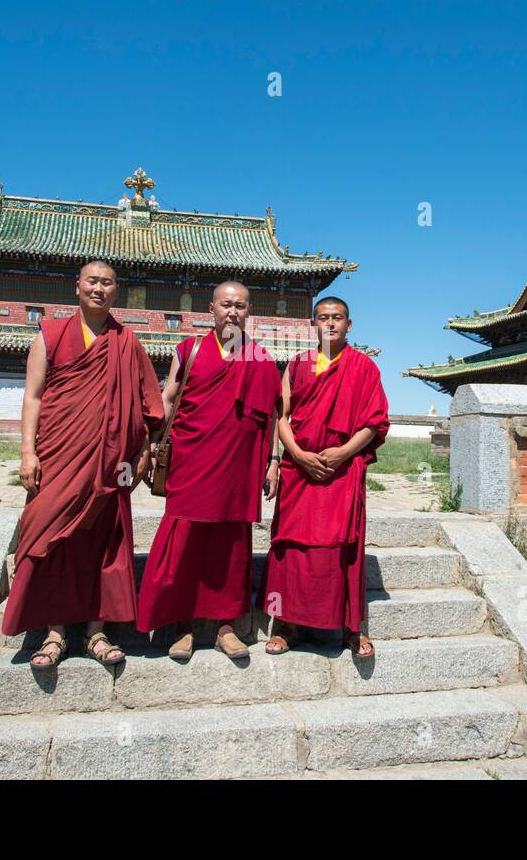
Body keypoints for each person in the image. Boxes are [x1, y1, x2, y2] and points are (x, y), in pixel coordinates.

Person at [0, 260, 163, 668]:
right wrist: (27, 452)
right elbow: (33, 397)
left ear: (116, 291)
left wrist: (142, 450)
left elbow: (148, 405)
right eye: (92, 281)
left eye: (107, 283)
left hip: (112, 463)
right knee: (50, 535)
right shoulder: (50, 336)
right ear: (77, 286)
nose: (99, 289)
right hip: (59, 456)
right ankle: (54, 632)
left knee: (103, 543)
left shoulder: (127, 342)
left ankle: (96, 630)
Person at [137, 281, 281, 661]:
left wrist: (272, 462)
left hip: (238, 468)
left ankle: (226, 627)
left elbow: (271, 417)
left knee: (230, 549)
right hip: (192, 461)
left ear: (250, 311)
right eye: (226, 305)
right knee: (183, 542)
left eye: (241, 306)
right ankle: (181, 625)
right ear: (211, 309)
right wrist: (153, 444)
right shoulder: (190, 349)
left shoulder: (261, 358)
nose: (233, 312)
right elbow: (169, 397)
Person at [259, 296, 390, 658]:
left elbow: (375, 421)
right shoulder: (298, 365)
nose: (330, 324)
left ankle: (351, 628)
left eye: (337, 318)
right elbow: (280, 416)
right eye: (323, 318)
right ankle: (286, 625)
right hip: (300, 472)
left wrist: (345, 451)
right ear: (312, 324)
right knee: (292, 547)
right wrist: (297, 456)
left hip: (342, 471)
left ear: (350, 324)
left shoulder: (364, 368)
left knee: (343, 549)